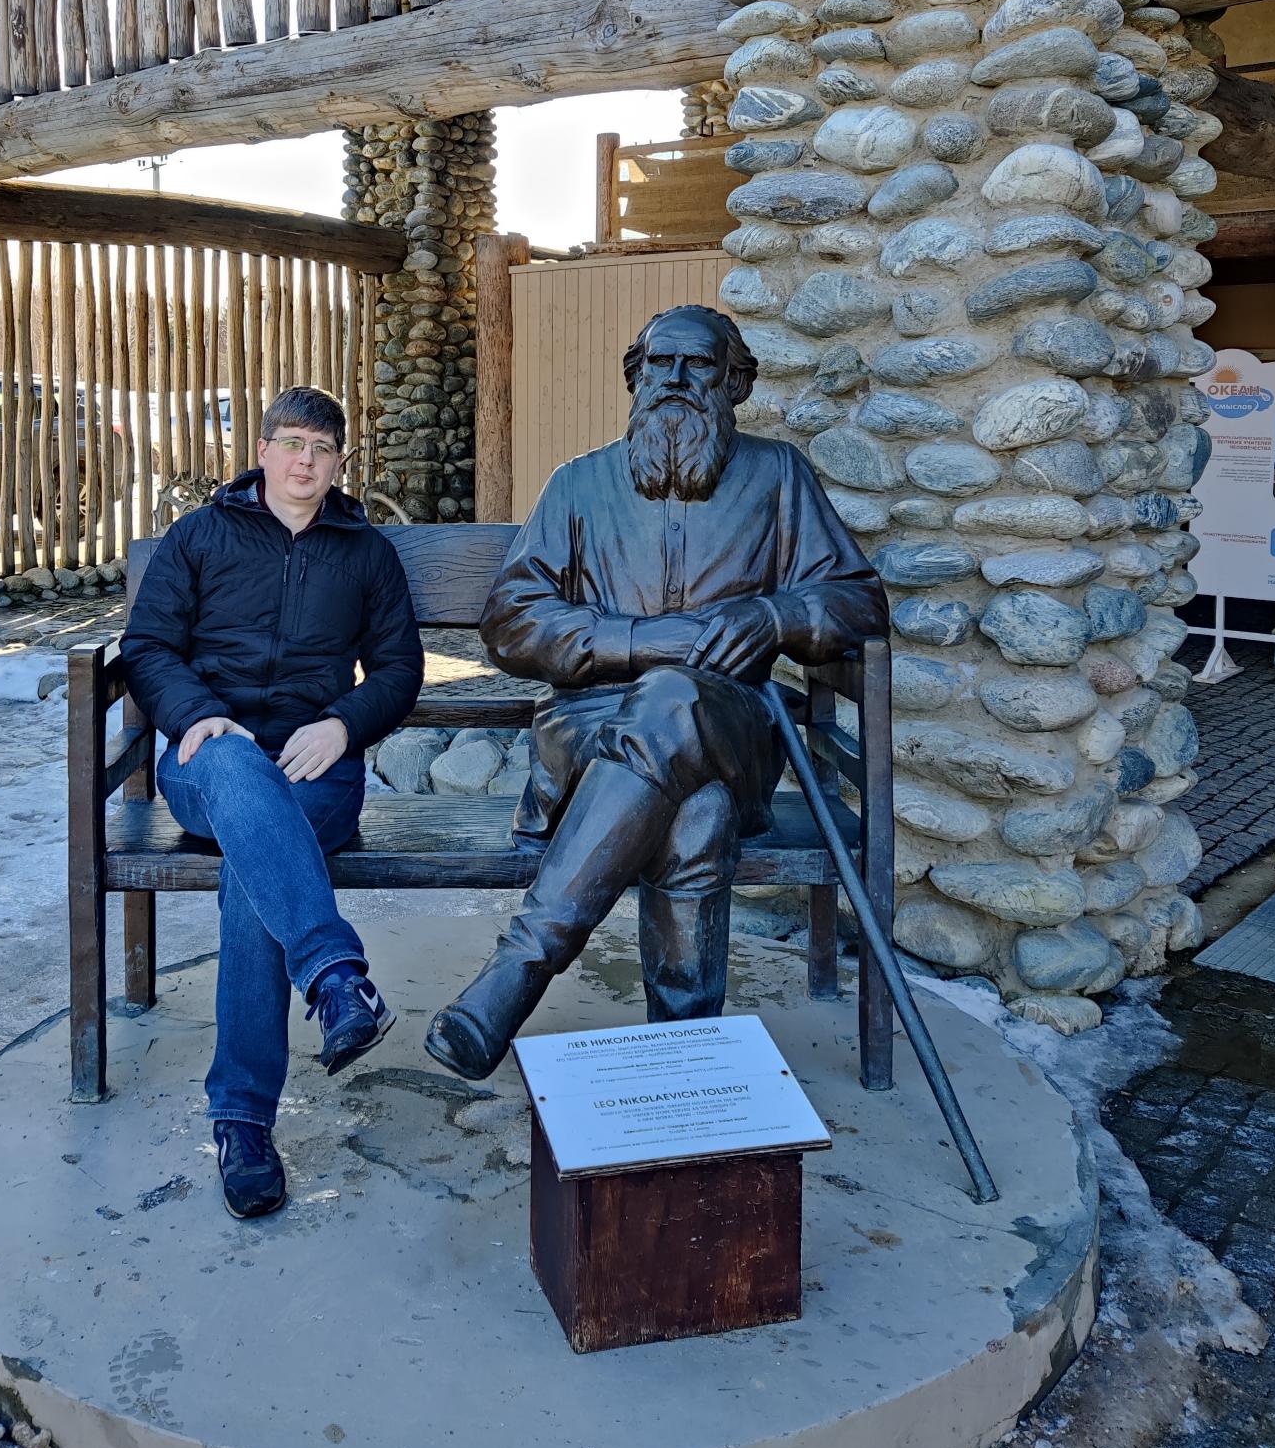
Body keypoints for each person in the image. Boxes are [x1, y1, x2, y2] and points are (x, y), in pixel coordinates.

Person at [424, 305, 888, 1082]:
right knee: (698, 813)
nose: (674, 379)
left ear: (735, 383)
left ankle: (518, 971)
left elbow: (859, 602)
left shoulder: (780, 477)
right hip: (587, 728)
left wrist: (773, 615)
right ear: (635, 379)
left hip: (732, 728)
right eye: (658, 364)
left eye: (697, 364)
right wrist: (641, 642)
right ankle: (684, 1063)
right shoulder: (578, 484)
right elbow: (511, 621)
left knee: (675, 700)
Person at [122, 384, 423, 1218]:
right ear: (262, 451)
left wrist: (342, 723)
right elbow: (148, 645)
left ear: (339, 463)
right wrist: (195, 714)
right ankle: (334, 974)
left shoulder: (365, 554)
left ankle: (242, 1123)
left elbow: (400, 669)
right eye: (292, 443)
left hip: (315, 771)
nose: (305, 461)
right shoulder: (201, 536)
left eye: (322, 449)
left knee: (252, 872)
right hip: (206, 761)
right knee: (234, 769)